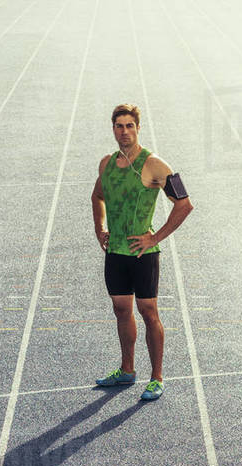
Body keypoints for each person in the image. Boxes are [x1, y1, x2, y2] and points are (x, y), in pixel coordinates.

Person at [91, 103, 193, 401]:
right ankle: (127, 370)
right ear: (113, 129)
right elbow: (97, 195)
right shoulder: (106, 163)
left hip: (143, 255)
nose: (124, 131)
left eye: (129, 126)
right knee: (121, 310)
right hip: (116, 253)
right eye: (119, 126)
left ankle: (157, 377)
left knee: (148, 312)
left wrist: (154, 237)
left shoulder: (155, 165)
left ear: (138, 128)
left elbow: (184, 204)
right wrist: (100, 228)